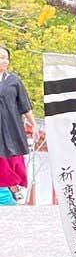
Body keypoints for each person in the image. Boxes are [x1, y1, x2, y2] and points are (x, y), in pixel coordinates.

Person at [0, 44, 34, 199]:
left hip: (11, 125)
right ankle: (12, 186)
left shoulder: (14, 80)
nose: (4, 61)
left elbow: (24, 105)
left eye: (6, 58)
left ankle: (14, 185)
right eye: (1, 58)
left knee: (12, 157)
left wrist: (34, 125)